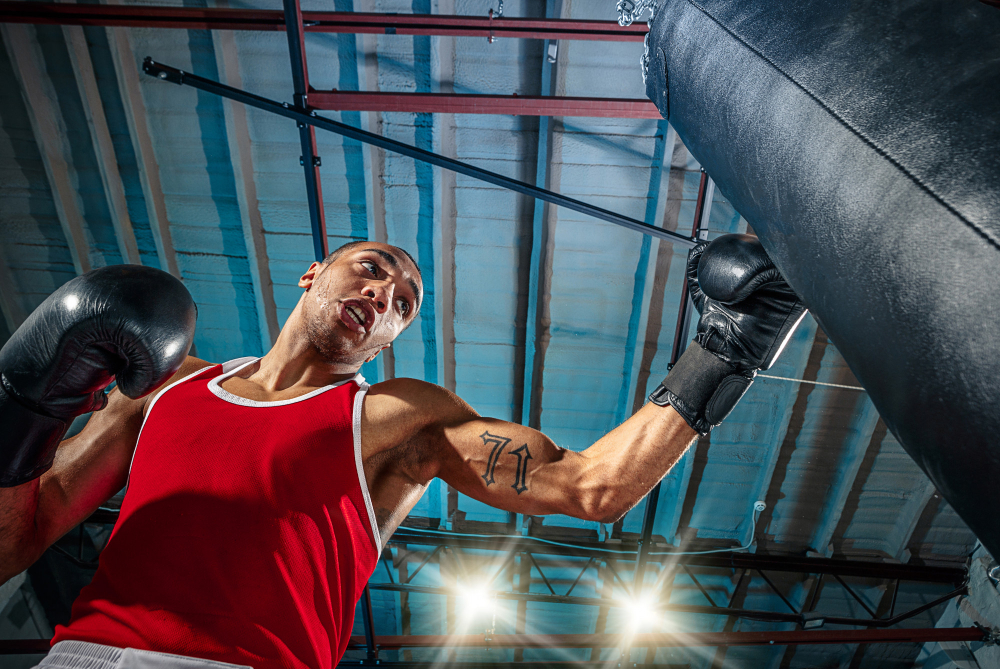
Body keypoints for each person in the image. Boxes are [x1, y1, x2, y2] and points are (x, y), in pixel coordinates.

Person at [0, 234, 805, 669]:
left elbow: (595, 487)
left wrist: (725, 347)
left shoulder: (395, 416)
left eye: (403, 303)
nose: (384, 295)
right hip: (84, 656)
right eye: (374, 270)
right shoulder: (166, 387)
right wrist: (29, 405)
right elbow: (17, 539)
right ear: (317, 273)